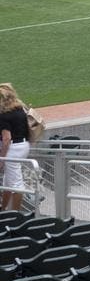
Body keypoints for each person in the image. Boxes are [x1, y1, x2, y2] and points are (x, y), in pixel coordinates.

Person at [0, 84, 31, 212]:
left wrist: (2, 158)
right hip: (24, 146)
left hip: (13, 149)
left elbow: (6, 139)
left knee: (17, 185)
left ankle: (15, 216)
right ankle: (3, 210)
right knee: (8, 182)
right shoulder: (20, 110)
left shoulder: (3, 115)